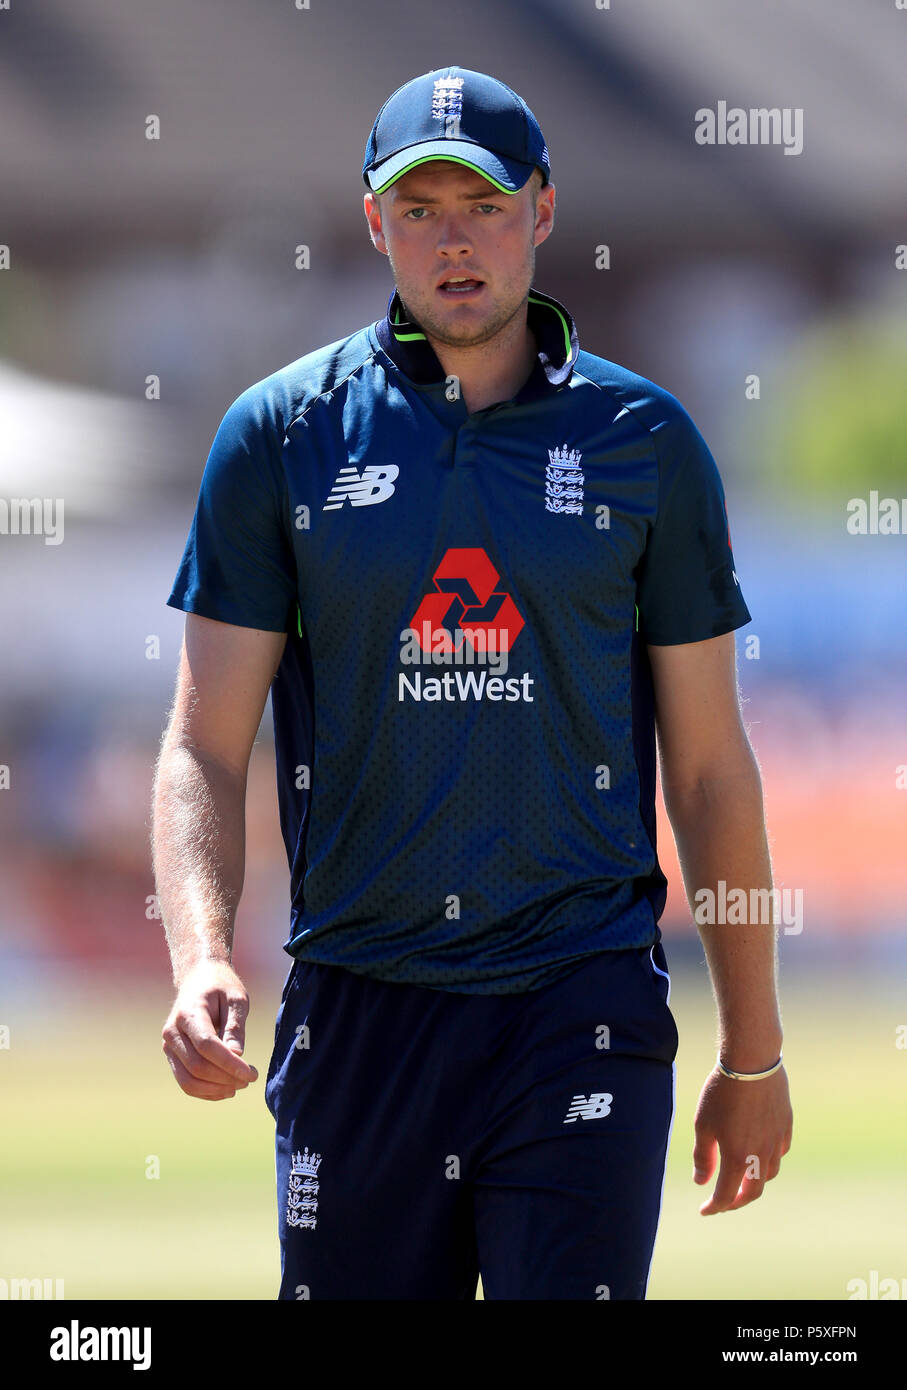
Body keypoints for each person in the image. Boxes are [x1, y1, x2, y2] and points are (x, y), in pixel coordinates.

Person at [153, 65, 792, 1301]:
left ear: (543, 211)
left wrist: (753, 1057)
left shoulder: (645, 444)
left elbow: (711, 772)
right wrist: (199, 954)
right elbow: (202, 746)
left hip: (579, 997)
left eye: (486, 206)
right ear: (371, 222)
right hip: (358, 1011)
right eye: (420, 209)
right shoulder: (277, 436)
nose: (455, 241)